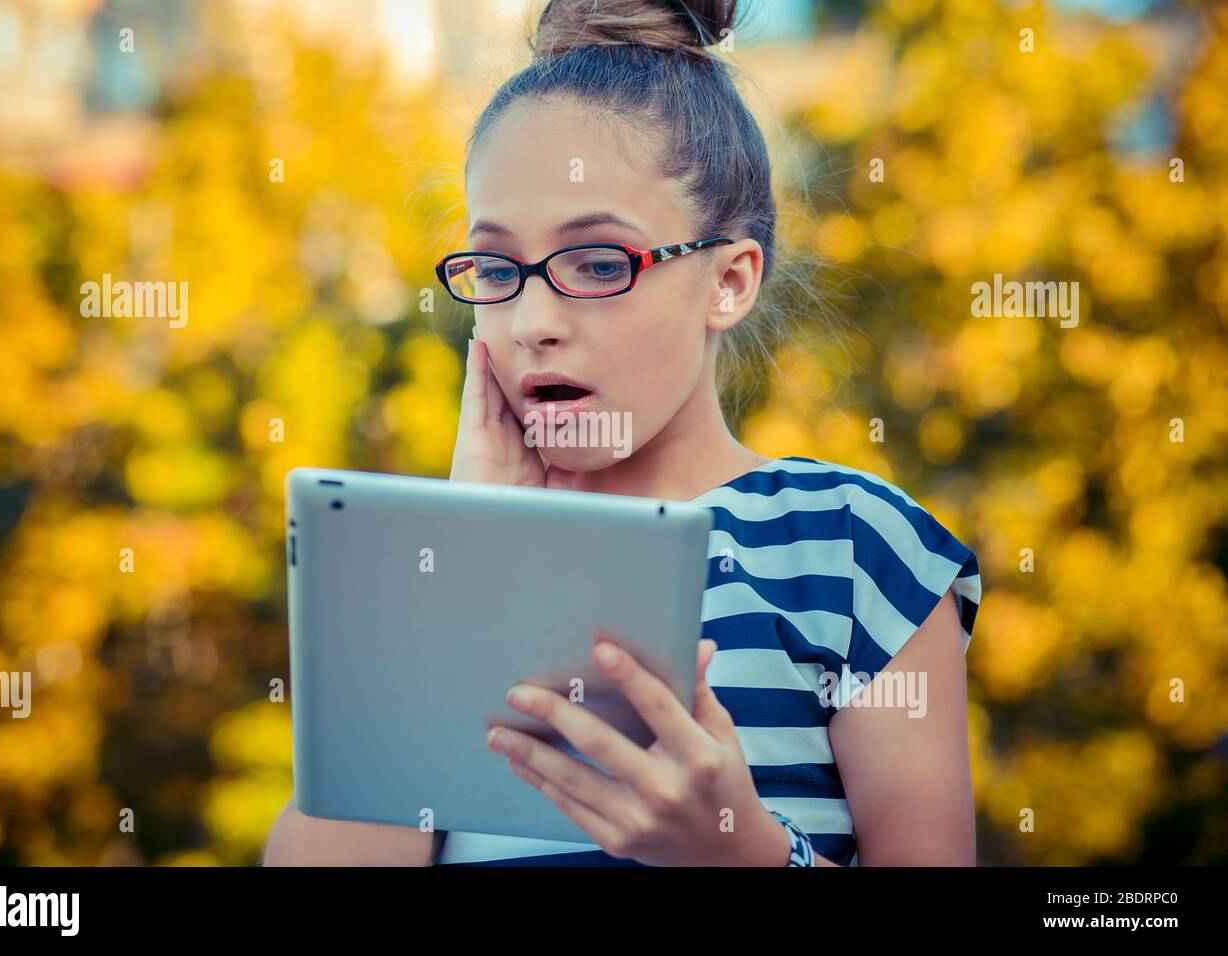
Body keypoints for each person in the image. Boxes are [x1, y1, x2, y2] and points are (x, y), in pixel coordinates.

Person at [264, 0, 982, 867]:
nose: (530, 319)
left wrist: (735, 852)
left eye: (599, 262)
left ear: (728, 281)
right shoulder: (428, 566)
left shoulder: (852, 551)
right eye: (497, 268)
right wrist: (465, 551)